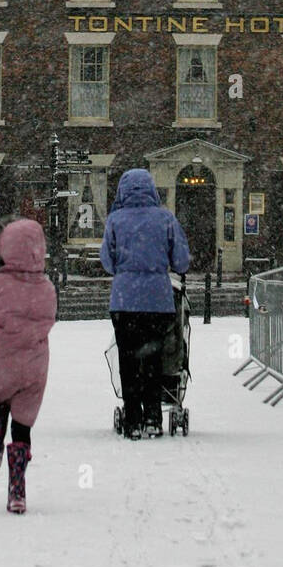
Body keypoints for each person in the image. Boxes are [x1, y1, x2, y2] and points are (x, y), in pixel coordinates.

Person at [0, 217, 56, 513]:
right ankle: (17, 491)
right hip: (34, 364)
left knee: (0, 399)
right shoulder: (47, 288)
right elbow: (49, 320)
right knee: (23, 426)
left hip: (3, 358)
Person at [100, 168, 191, 439]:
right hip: (158, 300)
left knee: (128, 361)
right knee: (153, 359)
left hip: (125, 300)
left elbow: (106, 261)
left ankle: (133, 420)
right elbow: (182, 261)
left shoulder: (115, 220)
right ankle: (153, 417)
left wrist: (126, 268)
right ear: (151, 190)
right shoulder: (165, 219)